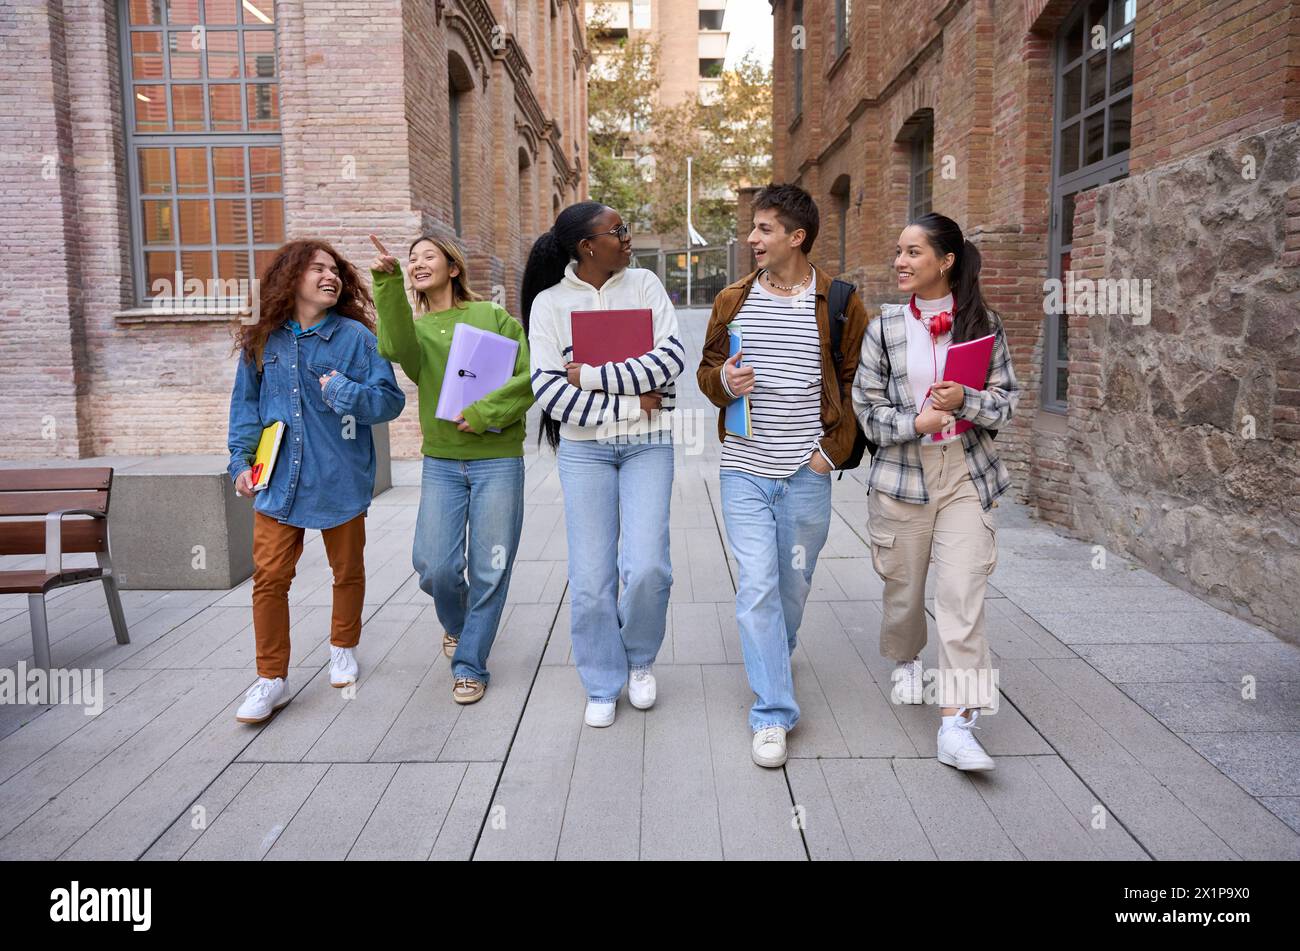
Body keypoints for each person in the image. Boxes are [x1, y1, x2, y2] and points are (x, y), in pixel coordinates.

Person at [696, 183, 869, 768]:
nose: (752, 238)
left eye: (764, 229)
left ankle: (775, 651)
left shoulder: (841, 301)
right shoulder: (731, 299)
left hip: (806, 469)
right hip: (744, 465)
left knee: (791, 588)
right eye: (753, 228)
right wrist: (724, 384)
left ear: (797, 237)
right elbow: (707, 371)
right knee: (758, 586)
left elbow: (856, 387)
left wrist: (830, 454)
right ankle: (772, 711)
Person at [851, 212, 1020, 771]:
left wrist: (963, 403)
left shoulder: (984, 323)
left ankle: (958, 724)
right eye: (898, 251)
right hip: (903, 474)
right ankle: (905, 656)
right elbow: (868, 413)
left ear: (946, 261)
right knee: (904, 591)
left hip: (968, 475)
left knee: (961, 597)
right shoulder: (885, 327)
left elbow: (1006, 403)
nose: (900, 261)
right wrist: (916, 424)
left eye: (913, 252)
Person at [228, 239, 405, 723]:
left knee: (346, 570)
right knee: (269, 579)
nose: (332, 277)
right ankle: (271, 679)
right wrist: (240, 462)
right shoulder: (263, 340)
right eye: (319, 269)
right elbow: (246, 407)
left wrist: (345, 392)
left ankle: (344, 644)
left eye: (336, 271)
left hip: (339, 476)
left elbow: (389, 401)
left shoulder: (355, 338)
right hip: (278, 478)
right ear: (290, 279)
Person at [522, 202, 685, 728]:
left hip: (648, 446)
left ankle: (639, 659)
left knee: (647, 568)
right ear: (588, 246)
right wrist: (632, 402)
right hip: (585, 451)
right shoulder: (549, 304)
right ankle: (601, 678)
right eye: (617, 231)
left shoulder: (645, 285)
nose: (627, 236)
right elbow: (550, 394)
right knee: (591, 578)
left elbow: (671, 360)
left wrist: (589, 376)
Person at [371, 233, 533, 705]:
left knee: (491, 567)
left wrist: (486, 412)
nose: (418, 263)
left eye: (428, 256)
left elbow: (530, 373)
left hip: (498, 459)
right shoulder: (416, 331)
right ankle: (461, 627)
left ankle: (470, 664)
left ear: (453, 266)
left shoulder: (490, 316)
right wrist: (386, 283)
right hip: (442, 462)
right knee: (435, 567)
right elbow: (393, 343)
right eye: (411, 260)